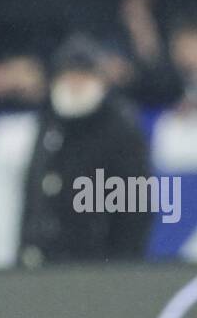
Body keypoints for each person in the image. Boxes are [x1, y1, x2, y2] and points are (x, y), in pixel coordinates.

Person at [18, 35, 152, 266]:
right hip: (43, 265)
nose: (75, 83)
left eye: (84, 74)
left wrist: (121, 266)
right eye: (68, 74)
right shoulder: (48, 124)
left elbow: (135, 212)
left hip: (96, 265)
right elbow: (34, 201)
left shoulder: (121, 133)